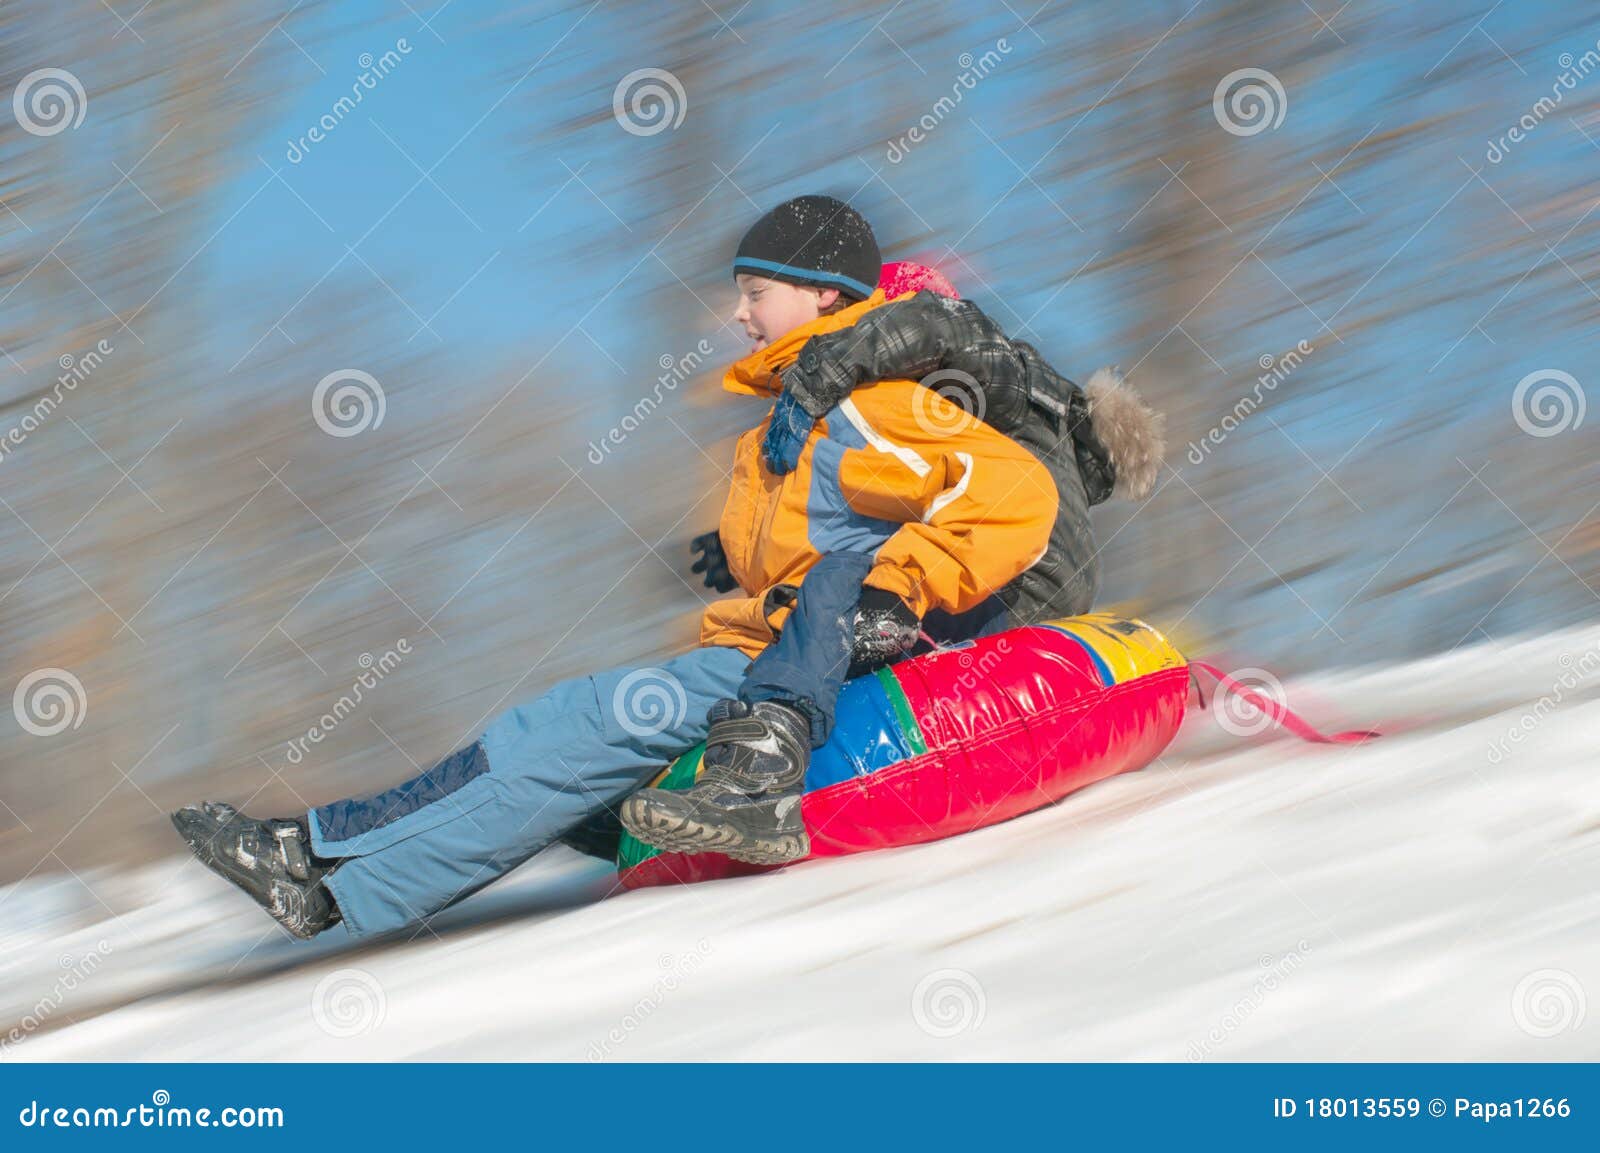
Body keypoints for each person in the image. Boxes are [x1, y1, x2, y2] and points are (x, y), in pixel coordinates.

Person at [170, 195, 1062, 941]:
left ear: (827, 298)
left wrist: (898, 584)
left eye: (756, 292)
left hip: (817, 655)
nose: (741, 314)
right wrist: (735, 560)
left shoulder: (876, 402)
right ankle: (333, 885)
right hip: (772, 647)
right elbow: (830, 527)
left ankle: (322, 858)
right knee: (563, 733)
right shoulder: (796, 417)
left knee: (568, 726)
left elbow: (1015, 493)